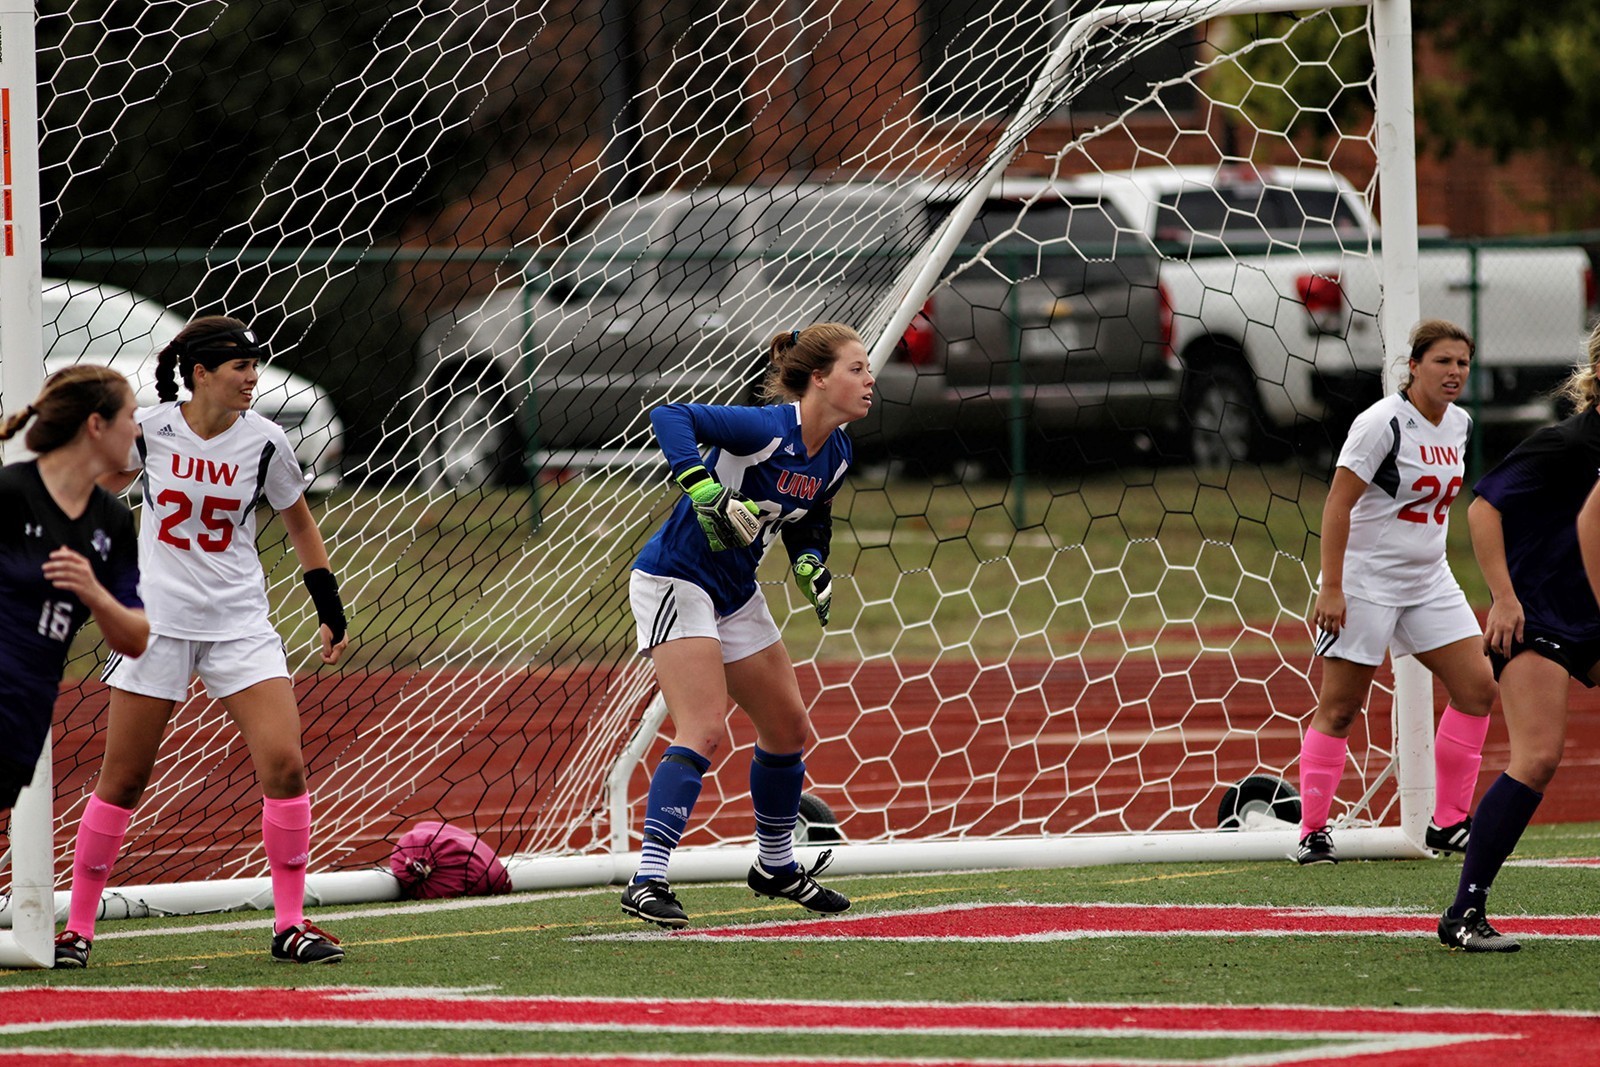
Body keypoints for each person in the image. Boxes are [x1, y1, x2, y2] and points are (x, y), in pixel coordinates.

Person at [55, 317, 350, 969]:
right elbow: (93, 488)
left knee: (286, 764)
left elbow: (299, 524)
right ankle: (76, 927)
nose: (252, 377)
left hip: (240, 626)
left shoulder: (268, 442)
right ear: (201, 374)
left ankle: (291, 921)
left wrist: (327, 604)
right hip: (154, 624)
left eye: (255, 365)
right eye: (239, 366)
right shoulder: (152, 430)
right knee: (124, 779)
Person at [618, 323, 872, 928]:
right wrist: (703, 486)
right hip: (676, 580)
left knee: (787, 729)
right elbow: (671, 416)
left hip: (735, 592)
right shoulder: (767, 428)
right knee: (703, 728)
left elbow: (809, 516)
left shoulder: (836, 451)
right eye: (857, 369)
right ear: (819, 379)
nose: (870, 381)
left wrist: (811, 561)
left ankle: (776, 865)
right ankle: (647, 879)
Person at [1295, 319, 1497, 865]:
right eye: (1442, 362)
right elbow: (1337, 504)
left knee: (1478, 687)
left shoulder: (1460, 424)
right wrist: (1332, 587)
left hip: (1429, 579)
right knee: (1339, 709)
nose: (1454, 372)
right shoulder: (1381, 422)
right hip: (1365, 582)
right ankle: (1312, 832)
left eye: (1462, 363)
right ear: (1413, 366)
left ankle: (1449, 823)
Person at [1436, 323, 1600, 952]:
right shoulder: (1565, 443)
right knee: (1537, 758)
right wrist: (1504, 598)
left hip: (1594, 613)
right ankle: (1464, 914)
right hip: (1540, 618)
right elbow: (1484, 508)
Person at [0, 366, 149, 816]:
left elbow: (135, 637)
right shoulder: (10, 494)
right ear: (95, 424)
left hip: (27, 708)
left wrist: (94, 592)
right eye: (130, 415)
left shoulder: (114, 521)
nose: (137, 429)